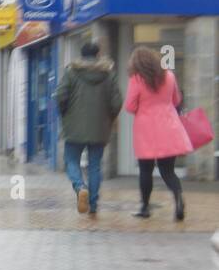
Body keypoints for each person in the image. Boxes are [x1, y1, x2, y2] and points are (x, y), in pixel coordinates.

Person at [56, 41, 122, 216]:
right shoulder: (109, 74)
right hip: (100, 127)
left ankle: (80, 187)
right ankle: (93, 205)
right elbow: (117, 102)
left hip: (73, 126)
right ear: (98, 55)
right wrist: (109, 117)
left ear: (82, 55)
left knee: (71, 161)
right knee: (95, 166)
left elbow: (60, 96)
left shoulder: (71, 72)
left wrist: (64, 114)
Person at [124, 46, 191, 221]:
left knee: (145, 170)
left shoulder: (136, 79)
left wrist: (144, 106)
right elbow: (176, 100)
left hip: (146, 129)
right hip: (169, 126)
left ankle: (145, 208)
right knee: (168, 171)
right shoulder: (169, 75)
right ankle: (178, 200)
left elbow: (130, 106)